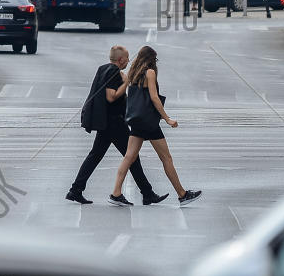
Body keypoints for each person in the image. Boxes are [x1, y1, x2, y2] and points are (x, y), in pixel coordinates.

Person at [66, 46, 167, 206]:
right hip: (114, 122)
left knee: (95, 156)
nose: (129, 61)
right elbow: (111, 97)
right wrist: (125, 83)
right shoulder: (113, 72)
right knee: (132, 157)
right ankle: (145, 193)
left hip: (105, 122)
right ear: (120, 60)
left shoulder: (103, 68)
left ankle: (76, 190)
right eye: (127, 58)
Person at [109, 45, 201, 207]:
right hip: (149, 122)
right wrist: (167, 118)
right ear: (151, 59)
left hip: (137, 120)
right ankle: (182, 194)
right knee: (166, 158)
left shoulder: (133, 73)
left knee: (129, 157)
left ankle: (116, 193)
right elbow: (154, 98)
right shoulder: (149, 73)